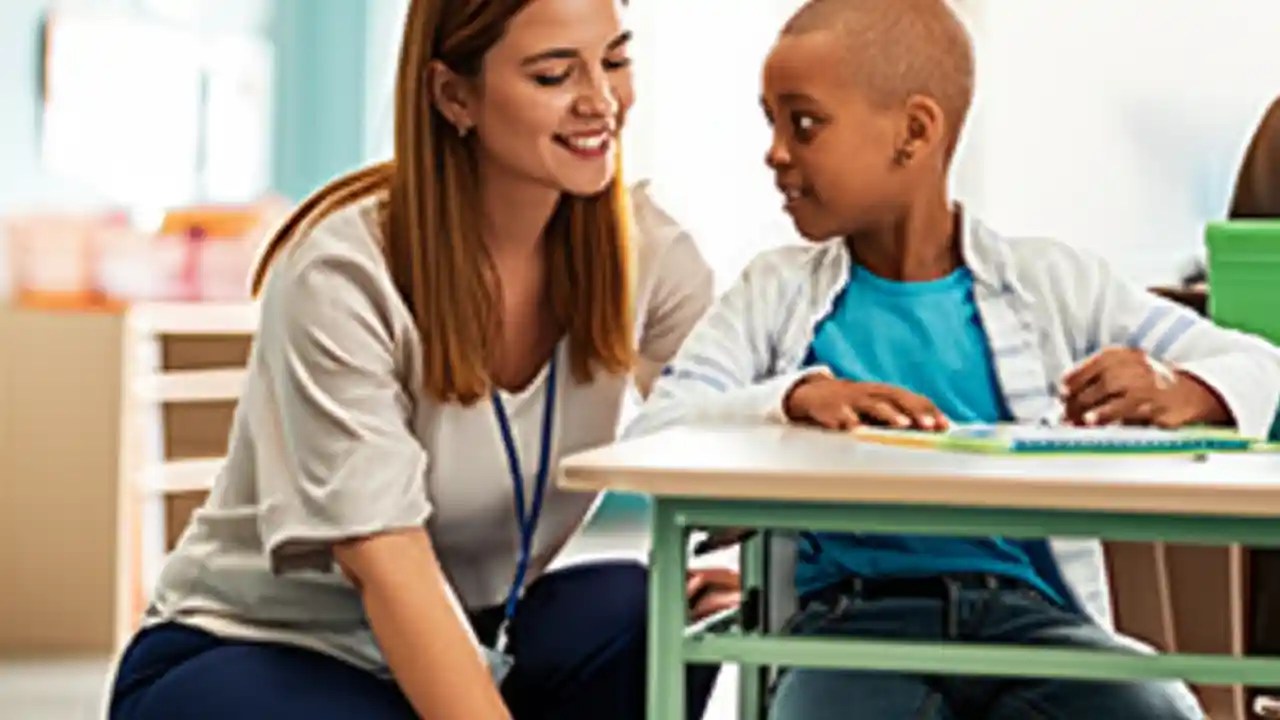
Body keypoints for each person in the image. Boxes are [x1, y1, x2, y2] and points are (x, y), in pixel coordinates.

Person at [629, 0, 1280, 718]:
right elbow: (657, 431)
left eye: (804, 123)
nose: (776, 152)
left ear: (914, 132)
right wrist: (791, 400)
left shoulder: (1051, 283)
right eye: (772, 123)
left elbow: (1258, 361)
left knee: (1160, 711)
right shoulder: (772, 293)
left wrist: (1181, 386)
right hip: (847, 632)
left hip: (1034, 624)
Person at [106, 1, 738, 718]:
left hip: (475, 634)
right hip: (265, 649)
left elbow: (729, 424)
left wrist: (793, 408)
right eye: (555, 74)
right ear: (453, 95)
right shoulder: (343, 274)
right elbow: (389, 566)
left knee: (643, 610)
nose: (601, 101)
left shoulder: (648, 253)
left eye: (616, 62)